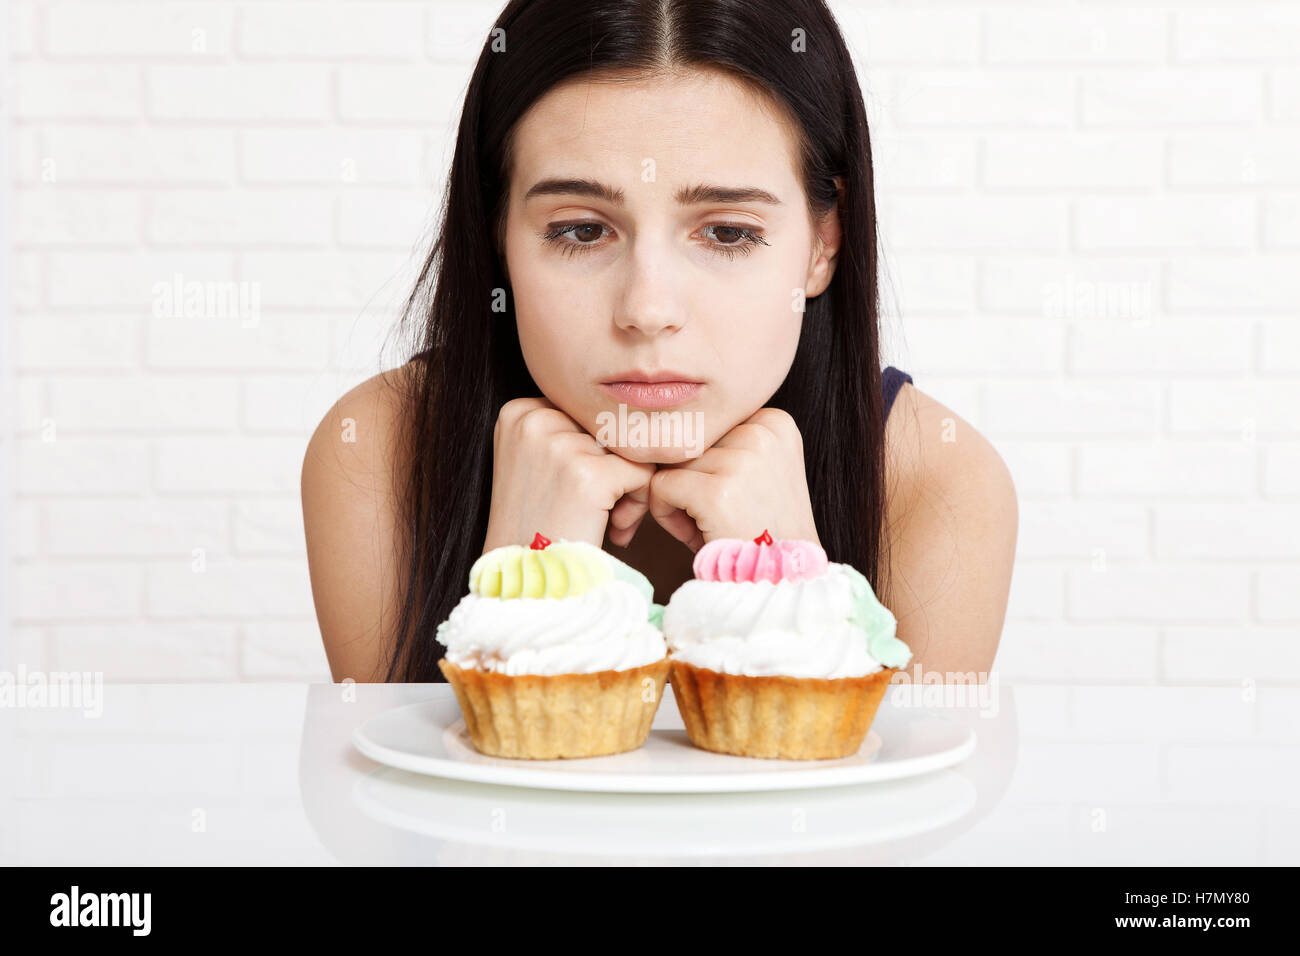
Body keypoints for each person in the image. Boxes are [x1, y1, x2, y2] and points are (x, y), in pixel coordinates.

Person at [302, 0, 1017, 684]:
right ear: (497, 239)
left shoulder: (937, 482)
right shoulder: (380, 452)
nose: (647, 310)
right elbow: (396, 811)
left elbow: (897, 812)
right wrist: (524, 590)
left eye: (728, 233)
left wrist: (794, 597)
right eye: (580, 231)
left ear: (821, 247)